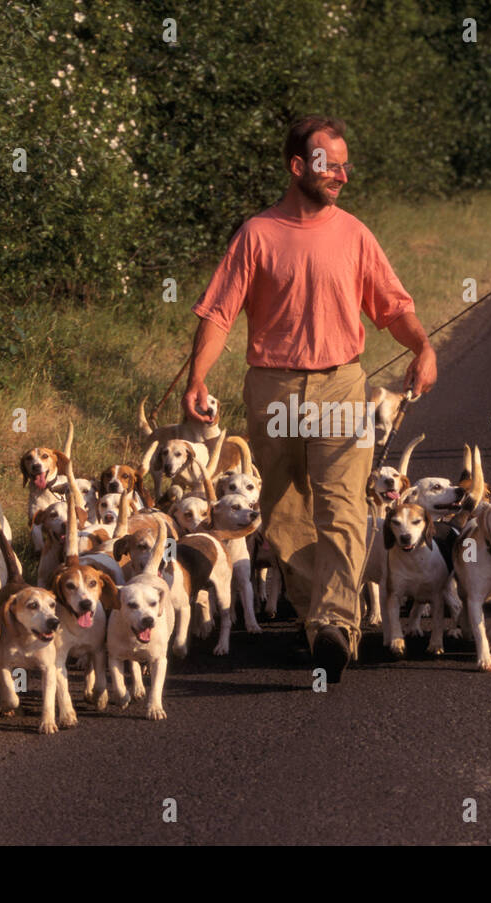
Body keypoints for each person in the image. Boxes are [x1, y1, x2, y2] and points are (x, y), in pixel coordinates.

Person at [182, 115, 437, 683]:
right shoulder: (257, 234)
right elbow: (220, 313)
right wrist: (198, 378)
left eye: (346, 164)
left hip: (342, 382)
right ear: (298, 167)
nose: (342, 175)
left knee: (345, 507)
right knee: (283, 513)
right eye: (330, 164)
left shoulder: (354, 233)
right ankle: (315, 615)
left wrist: (422, 347)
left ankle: (333, 625)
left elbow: (392, 307)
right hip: (272, 387)